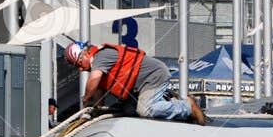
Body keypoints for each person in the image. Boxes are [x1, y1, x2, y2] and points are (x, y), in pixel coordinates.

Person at [65, 40, 204, 124]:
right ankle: (167, 101)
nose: (81, 69)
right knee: (128, 110)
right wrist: (94, 110)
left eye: (79, 64)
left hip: (154, 76)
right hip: (138, 88)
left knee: (146, 110)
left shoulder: (100, 57)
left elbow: (93, 81)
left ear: (85, 54)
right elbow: (99, 94)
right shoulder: (99, 67)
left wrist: (86, 98)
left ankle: (187, 106)